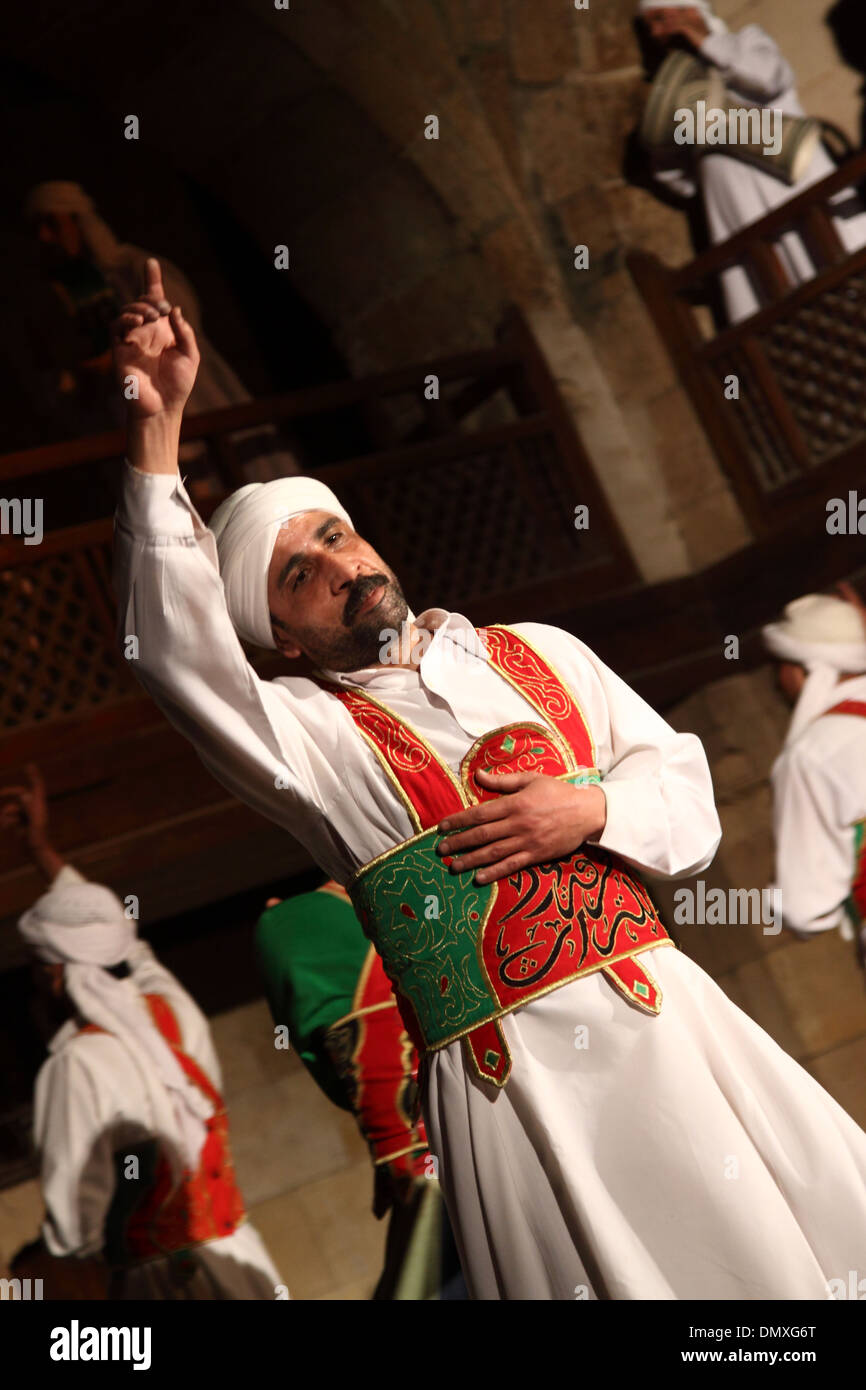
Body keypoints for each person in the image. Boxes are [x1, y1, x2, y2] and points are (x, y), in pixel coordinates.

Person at [110, 259, 866, 1300]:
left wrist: (590, 806)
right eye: (300, 575)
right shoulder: (311, 742)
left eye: (335, 535)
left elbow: (679, 788)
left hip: (671, 1028)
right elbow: (171, 655)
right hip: (520, 1090)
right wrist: (155, 429)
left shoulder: (537, 651)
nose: (339, 567)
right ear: (279, 638)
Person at [0, 763, 282, 1300]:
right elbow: (124, 941)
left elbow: (71, 1231)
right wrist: (42, 851)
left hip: (156, 1285)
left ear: (53, 974)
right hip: (241, 1257)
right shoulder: (173, 1008)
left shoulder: (75, 1066)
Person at [257, 881, 467, 1299]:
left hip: (425, 1176)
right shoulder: (447, 880)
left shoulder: (283, 925)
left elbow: (333, 1081)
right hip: (507, 1135)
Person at [23, 180, 299, 492]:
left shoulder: (136, 268)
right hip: (135, 416)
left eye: (52, 224)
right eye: (37, 228)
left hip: (195, 397)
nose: (45, 237)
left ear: (78, 221)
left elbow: (180, 329)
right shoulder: (62, 291)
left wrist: (120, 359)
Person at [638, 2, 866, 321]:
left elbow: (768, 79)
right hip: (739, 210)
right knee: (776, 294)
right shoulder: (675, 85)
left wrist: (707, 42)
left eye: (660, 19)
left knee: (834, 265)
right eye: (649, 26)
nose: (655, 33)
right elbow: (674, 175)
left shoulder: (746, 42)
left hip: (790, 184)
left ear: (691, 12)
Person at [762, 586, 866, 957]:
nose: (777, 681)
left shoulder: (811, 756)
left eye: (779, 667)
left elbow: (807, 908)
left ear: (799, 669)